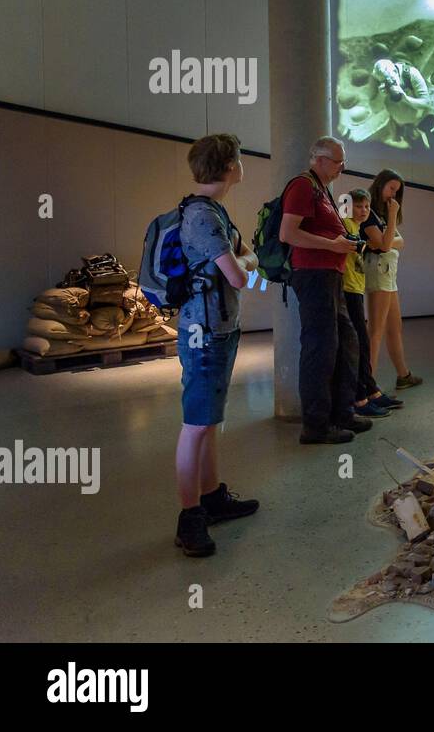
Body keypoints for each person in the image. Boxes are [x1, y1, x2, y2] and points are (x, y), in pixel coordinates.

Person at [174, 133, 260, 559]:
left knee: (209, 422)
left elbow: (242, 262)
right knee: (195, 425)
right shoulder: (202, 216)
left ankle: (210, 498)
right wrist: (248, 261)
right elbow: (241, 272)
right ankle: (189, 516)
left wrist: (245, 261)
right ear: (229, 167)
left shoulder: (215, 211)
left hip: (220, 327)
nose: (242, 165)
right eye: (240, 158)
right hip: (202, 332)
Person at [279, 136, 373, 444]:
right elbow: (289, 232)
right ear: (319, 159)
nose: (342, 167)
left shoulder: (322, 190)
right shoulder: (302, 186)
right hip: (313, 276)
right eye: (337, 161)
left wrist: (342, 244)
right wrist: (332, 244)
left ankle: (341, 412)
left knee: (345, 342)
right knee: (320, 349)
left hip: (331, 276)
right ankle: (316, 424)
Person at [341, 188, 402, 416]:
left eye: (367, 207)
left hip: (356, 286)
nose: (364, 211)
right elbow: (387, 244)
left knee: (364, 340)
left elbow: (396, 242)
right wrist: (393, 213)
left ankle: (371, 390)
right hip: (348, 288)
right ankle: (360, 399)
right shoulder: (347, 226)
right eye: (359, 206)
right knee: (362, 340)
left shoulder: (357, 227)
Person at [362, 168, 422, 392]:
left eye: (397, 192)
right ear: (380, 185)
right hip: (378, 270)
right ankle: (369, 386)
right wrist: (391, 224)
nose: (393, 196)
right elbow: (386, 243)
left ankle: (403, 375)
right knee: (375, 331)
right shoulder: (369, 212)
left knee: (394, 327)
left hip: (387, 272)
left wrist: (390, 236)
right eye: (391, 189)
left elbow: (397, 240)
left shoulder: (380, 213)